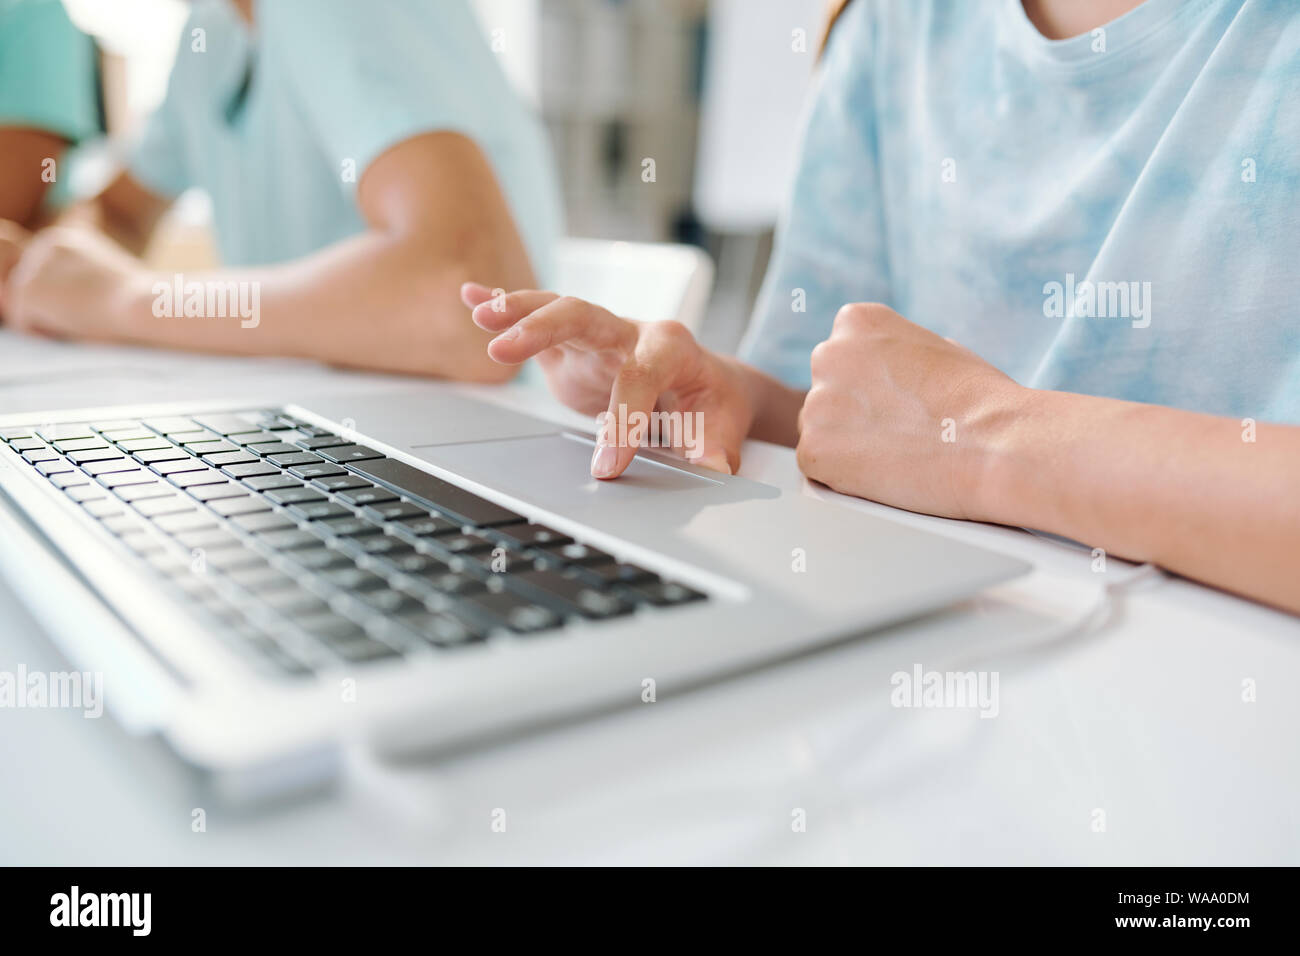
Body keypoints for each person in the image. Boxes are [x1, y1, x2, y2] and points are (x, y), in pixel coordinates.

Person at [458, 0, 1300, 614]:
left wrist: (983, 440)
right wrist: (737, 399)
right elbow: (850, 417)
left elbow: (944, 436)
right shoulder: (892, 27)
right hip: (965, 655)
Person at [0, 0, 561, 382]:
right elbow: (119, 213)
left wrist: (119, 300)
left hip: (452, 455)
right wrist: (58, 268)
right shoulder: (213, 35)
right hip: (314, 439)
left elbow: (470, 310)